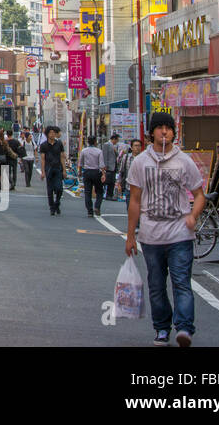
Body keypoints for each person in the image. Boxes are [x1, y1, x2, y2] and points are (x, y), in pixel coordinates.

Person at [126, 112, 206, 347]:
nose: (164, 132)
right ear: (151, 132)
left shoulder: (184, 160)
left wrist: (193, 215)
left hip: (180, 234)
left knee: (182, 282)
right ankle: (161, 328)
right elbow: (134, 200)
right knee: (157, 286)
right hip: (151, 236)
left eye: (168, 128)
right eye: (159, 127)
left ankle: (184, 328)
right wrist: (130, 236)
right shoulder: (140, 161)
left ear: (173, 132)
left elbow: (200, 195)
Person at [39, 126, 68, 215]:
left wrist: (64, 170)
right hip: (48, 168)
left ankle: (57, 203)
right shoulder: (43, 145)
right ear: (47, 134)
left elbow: (62, 157)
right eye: (50, 133)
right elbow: (43, 159)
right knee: (50, 189)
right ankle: (52, 207)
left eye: (54, 133)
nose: (52, 134)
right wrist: (43, 172)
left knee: (59, 188)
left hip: (58, 168)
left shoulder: (59, 143)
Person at [78, 137, 107, 217]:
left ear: (88, 142)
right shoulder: (99, 151)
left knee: (88, 192)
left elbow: (80, 163)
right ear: (95, 142)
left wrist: (80, 171)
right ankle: (97, 206)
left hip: (87, 172)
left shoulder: (84, 151)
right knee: (99, 191)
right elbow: (101, 164)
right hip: (96, 172)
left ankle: (89, 211)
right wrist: (104, 174)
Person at [101, 134, 121, 201]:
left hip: (113, 166)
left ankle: (109, 195)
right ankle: (104, 194)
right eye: (117, 140)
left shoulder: (113, 146)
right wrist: (105, 165)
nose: (117, 142)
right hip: (109, 166)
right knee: (107, 181)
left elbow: (117, 155)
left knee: (112, 181)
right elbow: (104, 155)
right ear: (114, 139)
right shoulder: (107, 144)